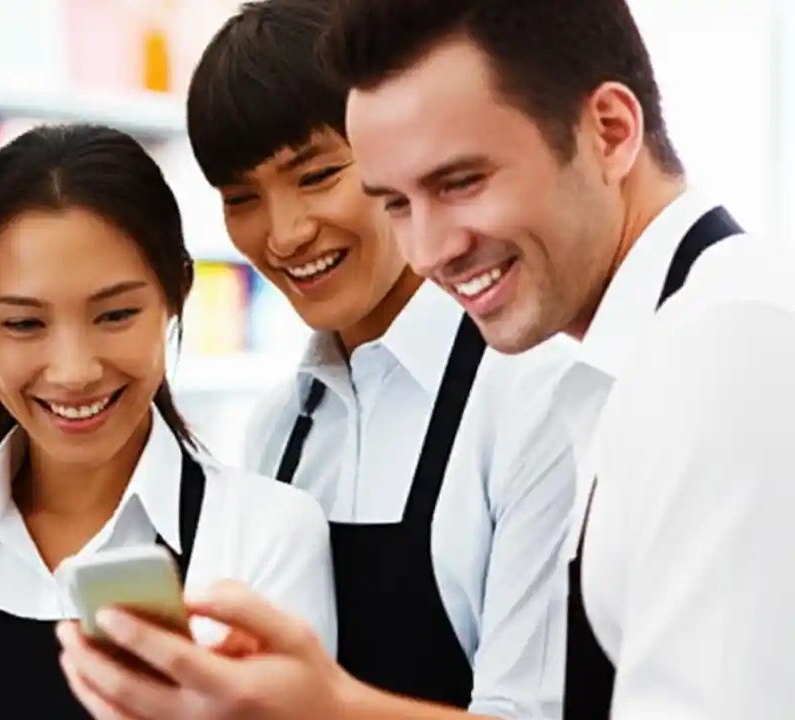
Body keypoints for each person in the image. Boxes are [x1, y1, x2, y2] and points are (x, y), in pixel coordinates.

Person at [58, 0, 795, 718]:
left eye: (460, 182)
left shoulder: (722, 352)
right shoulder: (634, 363)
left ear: (608, 131)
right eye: (399, 202)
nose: (428, 251)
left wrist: (328, 711)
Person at [65, 1, 575, 717]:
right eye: (241, 197)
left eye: (316, 176)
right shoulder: (280, 428)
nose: (285, 233)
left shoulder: (533, 393)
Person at [0, 123, 336, 719]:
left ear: (175, 294)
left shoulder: (265, 535)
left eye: (115, 315)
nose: (74, 371)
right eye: (25, 324)